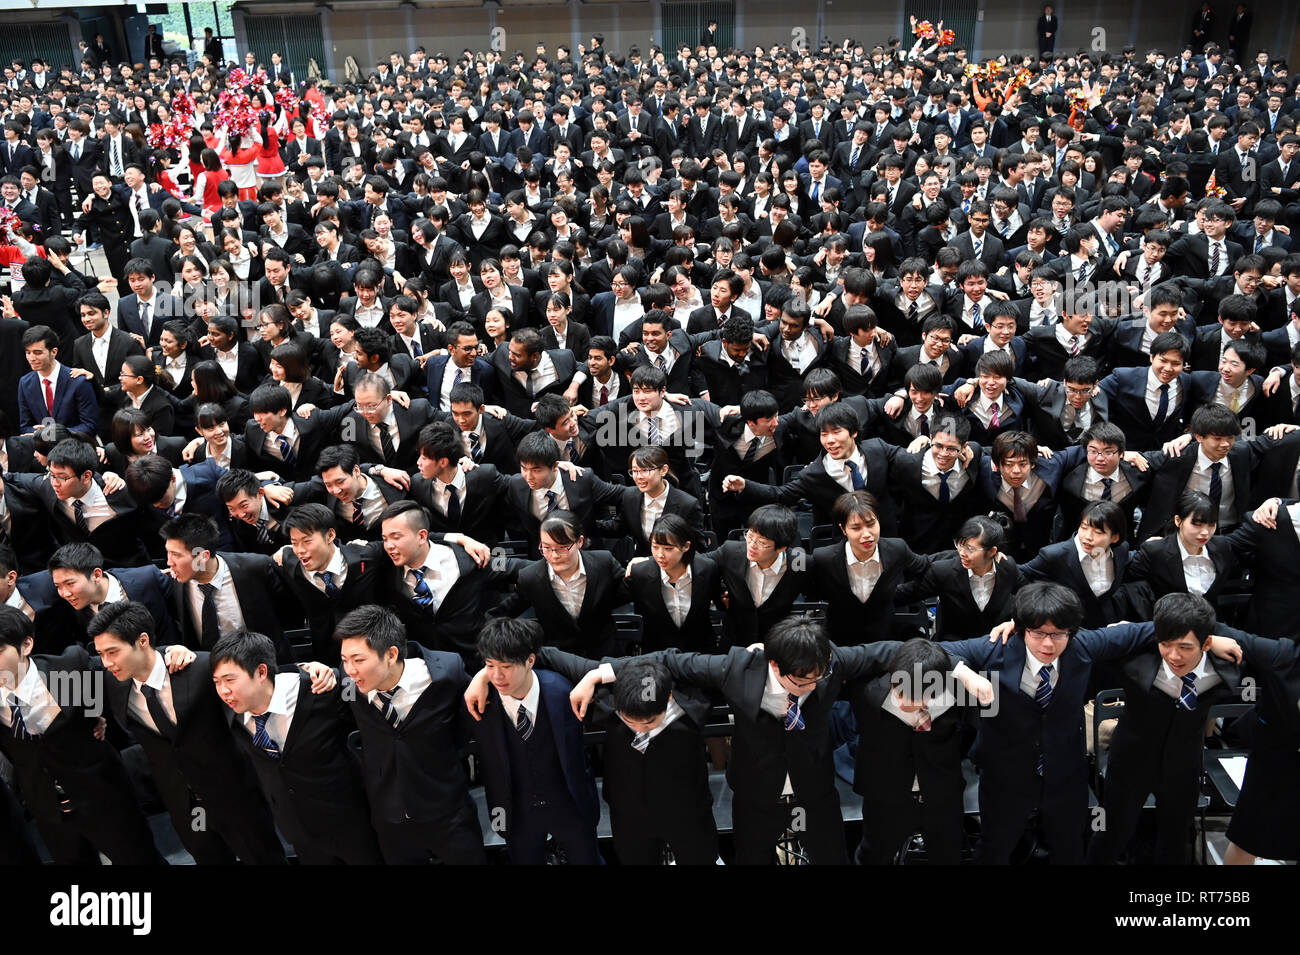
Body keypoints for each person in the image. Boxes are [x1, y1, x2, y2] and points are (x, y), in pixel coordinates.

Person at [211, 628, 386, 864]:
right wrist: (172, 649)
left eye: (230, 680)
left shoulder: (319, 690)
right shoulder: (231, 711)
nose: (224, 691)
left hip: (351, 822)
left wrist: (329, 671)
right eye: (217, 682)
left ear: (261, 671)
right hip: (297, 831)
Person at [334, 603, 486, 864]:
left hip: (447, 811)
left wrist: (483, 677)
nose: (350, 670)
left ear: (391, 654)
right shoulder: (349, 685)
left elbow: (468, 725)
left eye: (358, 660)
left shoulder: (446, 673)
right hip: (390, 818)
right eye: (345, 660)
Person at [468, 616, 601, 864]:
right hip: (514, 810)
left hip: (569, 803)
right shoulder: (480, 703)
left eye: (506, 667)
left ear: (530, 660)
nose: (497, 676)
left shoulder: (563, 692)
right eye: (489, 666)